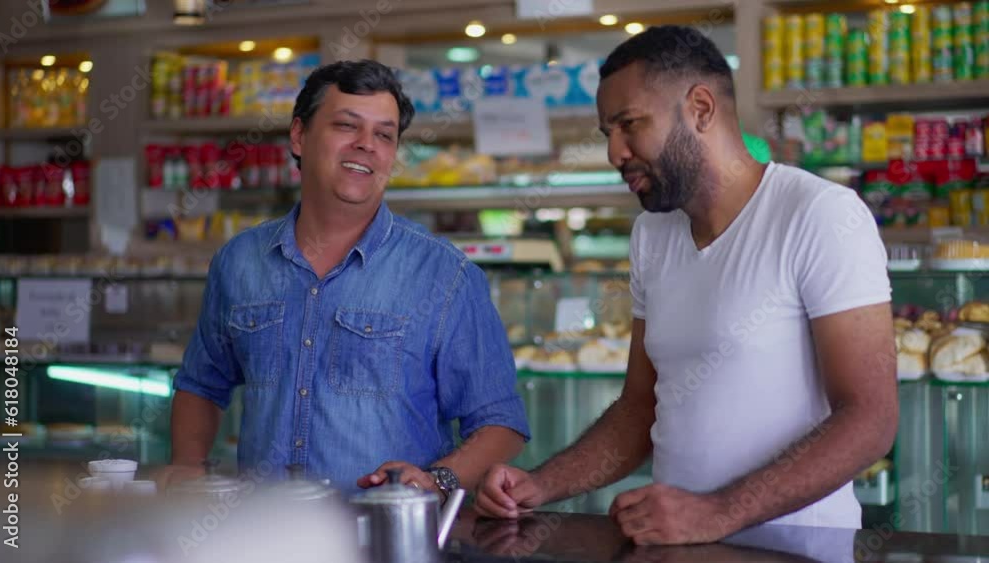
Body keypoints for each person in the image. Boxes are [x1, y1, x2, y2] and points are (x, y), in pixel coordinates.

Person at [475, 25, 897, 545]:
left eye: (629, 125)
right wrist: (540, 484)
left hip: (798, 549)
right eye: (607, 133)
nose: (615, 153)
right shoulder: (653, 233)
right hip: (677, 547)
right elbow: (639, 406)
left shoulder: (819, 215)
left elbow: (871, 417)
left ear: (700, 108)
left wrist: (717, 513)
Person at [162, 60, 529, 499]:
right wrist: (186, 465)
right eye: (346, 126)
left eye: (384, 135)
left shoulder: (445, 275)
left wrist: (438, 480)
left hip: (389, 536)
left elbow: (501, 421)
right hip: (265, 533)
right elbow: (201, 384)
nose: (366, 146)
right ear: (299, 135)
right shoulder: (239, 262)